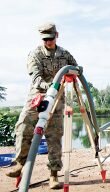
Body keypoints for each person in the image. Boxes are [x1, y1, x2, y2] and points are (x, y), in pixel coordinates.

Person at [5, 22, 78, 189]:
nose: (48, 42)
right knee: (23, 127)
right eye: (45, 39)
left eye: (51, 38)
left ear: (56, 35)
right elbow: (36, 78)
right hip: (37, 97)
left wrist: (75, 74)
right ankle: (20, 164)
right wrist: (51, 86)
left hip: (57, 100)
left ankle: (53, 175)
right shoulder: (35, 54)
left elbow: (76, 68)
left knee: (54, 136)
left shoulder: (65, 54)